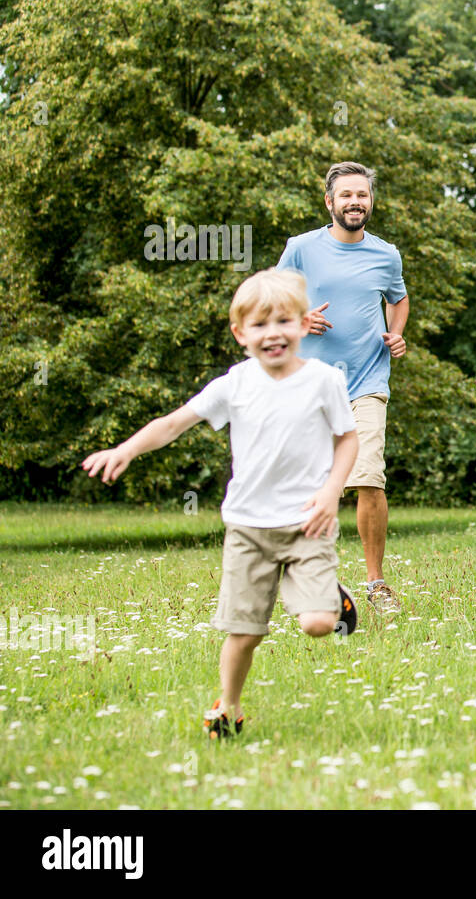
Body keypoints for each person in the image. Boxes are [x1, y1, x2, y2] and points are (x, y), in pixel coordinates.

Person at [81, 269, 360, 738]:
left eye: (285, 321)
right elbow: (172, 424)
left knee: (316, 624)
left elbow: (348, 439)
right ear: (240, 334)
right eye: (260, 325)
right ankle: (227, 706)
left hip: (308, 521)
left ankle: (329, 596)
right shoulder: (233, 385)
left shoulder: (324, 380)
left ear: (302, 325)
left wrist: (332, 493)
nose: (273, 333)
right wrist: (125, 449)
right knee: (245, 631)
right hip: (248, 528)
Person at [278, 162, 409, 613]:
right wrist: (298, 319)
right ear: (329, 202)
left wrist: (396, 332)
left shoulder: (386, 254)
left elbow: (398, 297)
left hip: (367, 381)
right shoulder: (301, 248)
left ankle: (375, 584)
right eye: (347, 195)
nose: (356, 201)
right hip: (310, 383)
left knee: (369, 478)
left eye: (363, 194)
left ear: (371, 201)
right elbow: (273, 299)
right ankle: (307, 576)